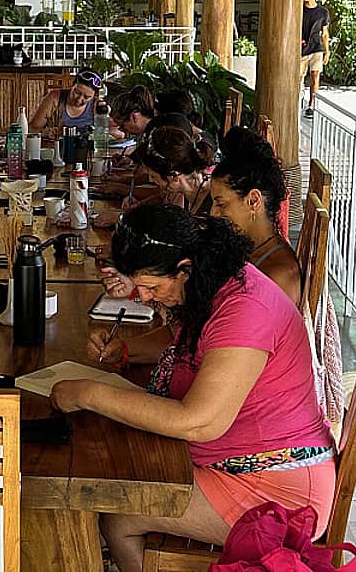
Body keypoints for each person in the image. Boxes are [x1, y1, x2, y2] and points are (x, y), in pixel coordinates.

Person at [53, 206, 335, 572]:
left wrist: (90, 394)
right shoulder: (213, 282)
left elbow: (200, 422)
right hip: (244, 462)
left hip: (278, 488)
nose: (144, 298)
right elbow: (187, 344)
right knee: (117, 461)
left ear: (184, 268)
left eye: (152, 287)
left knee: (119, 515)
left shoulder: (244, 307)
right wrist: (122, 351)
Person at [209, 126, 301, 306]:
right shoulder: (249, 247)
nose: (213, 213)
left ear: (253, 200)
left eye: (221, 204)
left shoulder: (278, 274)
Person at [132, 127, 215, 215]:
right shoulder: (186, 192)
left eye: (153, 176)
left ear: (174, 175)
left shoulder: (215, 200)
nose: (150, 180)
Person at [29, 68, 103, 139]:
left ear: (94, 96)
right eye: (77, 92)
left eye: (86, 97)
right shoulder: (55, 98)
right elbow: (32, 128)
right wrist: (44, 132)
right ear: (72, 85)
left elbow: (111, 131)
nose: (79, 99)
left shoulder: (96, 105)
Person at [301, 0, 330, 118]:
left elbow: (324, 33)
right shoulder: (299, 10)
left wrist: (327, 51)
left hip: (317, 48)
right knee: (299, 77)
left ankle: (312, 105)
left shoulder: (322, 12)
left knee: (315, 75)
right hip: (302, 48)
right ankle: (297, 101)